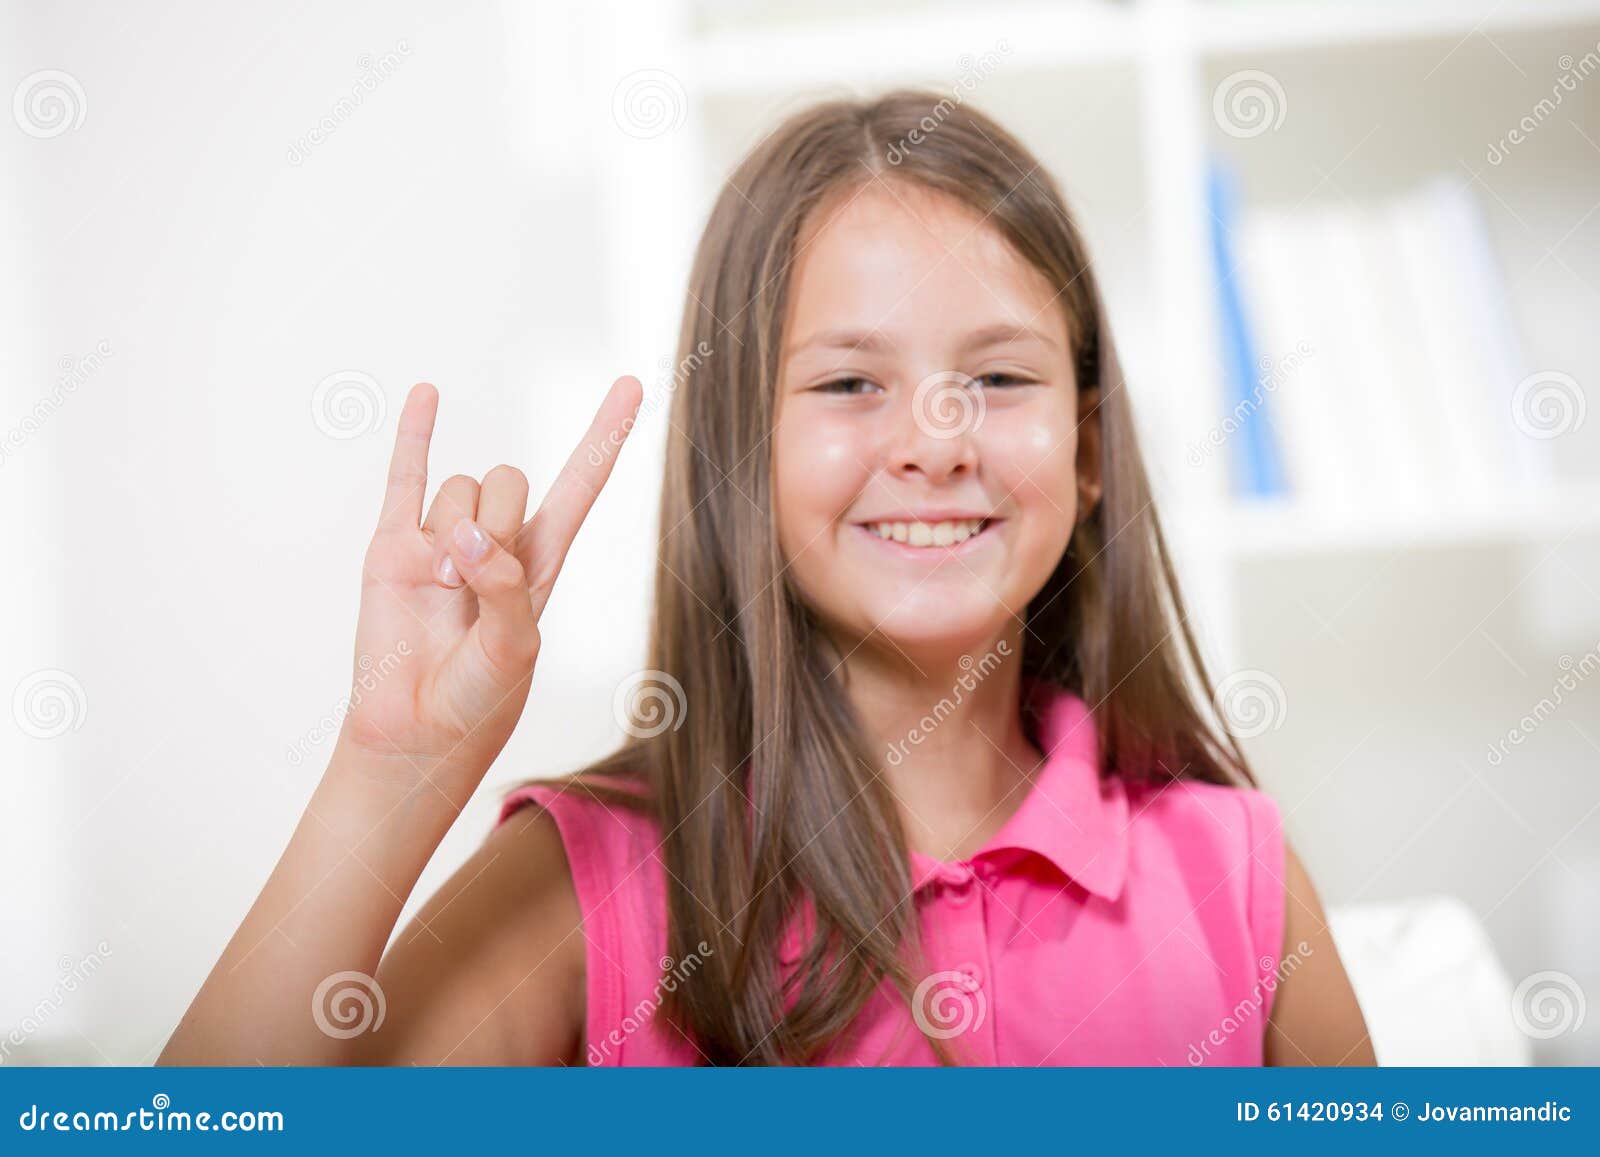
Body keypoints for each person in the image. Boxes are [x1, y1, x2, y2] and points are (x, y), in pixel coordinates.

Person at [160, 90, 1373, 1067]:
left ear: (1090, 449)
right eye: (851, 383)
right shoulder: (594, 878)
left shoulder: (1233, 869)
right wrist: (391, 775)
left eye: (999, 379)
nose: (936, 439)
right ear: (741, 451)